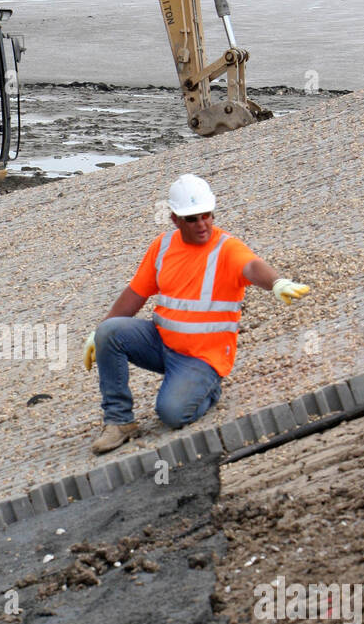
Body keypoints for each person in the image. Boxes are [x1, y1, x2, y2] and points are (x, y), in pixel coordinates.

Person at [83, 173, 309, 454]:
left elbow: (251, 267)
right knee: (110, 332)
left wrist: (277, 283)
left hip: (203, 358)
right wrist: (99, 333)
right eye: (192, 219)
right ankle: (119, 421)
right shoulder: (163, 247)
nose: (202, 224)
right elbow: (135, 294)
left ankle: (208, 388)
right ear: (175, 219)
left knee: (172, 414)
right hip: (161, 342)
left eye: (207, 216)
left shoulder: (227, 247)